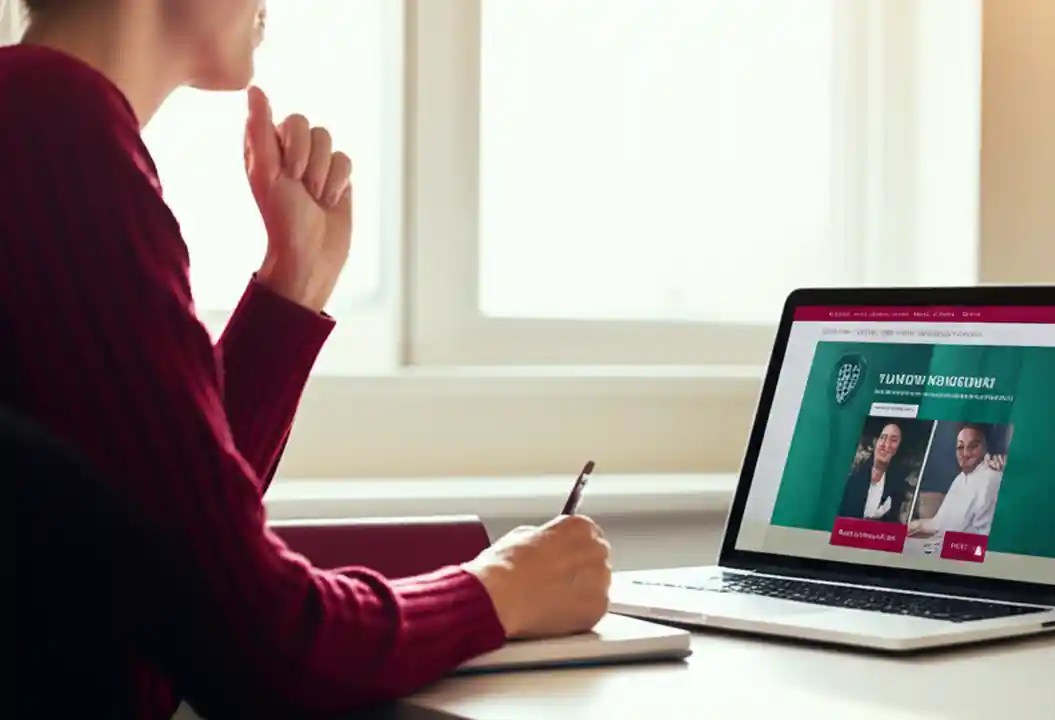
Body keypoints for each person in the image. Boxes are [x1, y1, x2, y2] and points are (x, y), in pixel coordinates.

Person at [0, 1, 611, 717]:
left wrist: (296, 283)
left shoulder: (37, 120)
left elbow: (165, 592)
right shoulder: (51, 125)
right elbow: (259, 642)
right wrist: (503, 587)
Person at [909, 424, 1005, 538]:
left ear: (985, 447)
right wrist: (913, 526)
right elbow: (938, 524)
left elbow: (982, 535)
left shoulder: (990, 479)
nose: (965, 453)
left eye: (973, 446)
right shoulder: (960, 478)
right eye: (960, 447)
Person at [837, 421, 911, 523]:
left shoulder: (899, 489)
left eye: (893, 440)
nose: (886, 445)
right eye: (883, 438)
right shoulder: (852, 475)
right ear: (875, 442)